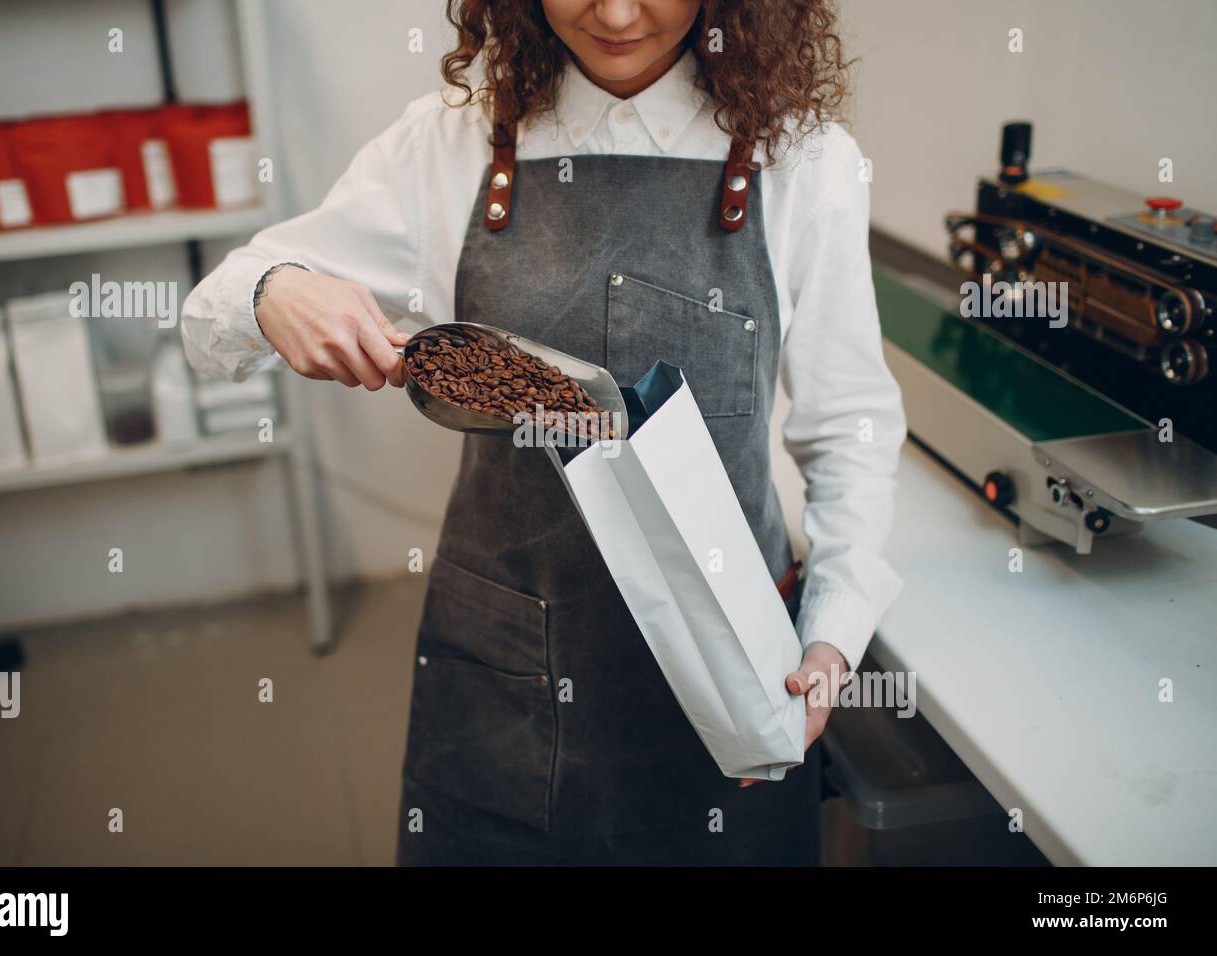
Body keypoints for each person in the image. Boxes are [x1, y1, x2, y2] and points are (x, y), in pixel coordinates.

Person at [182, 0, 905, 865]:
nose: (615, 12)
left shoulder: (804, 156)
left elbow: (850, 424)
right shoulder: (451, 143)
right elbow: (210, 313)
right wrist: (276, 288)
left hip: (729, 662)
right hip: (503, 677)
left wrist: (832, 631)